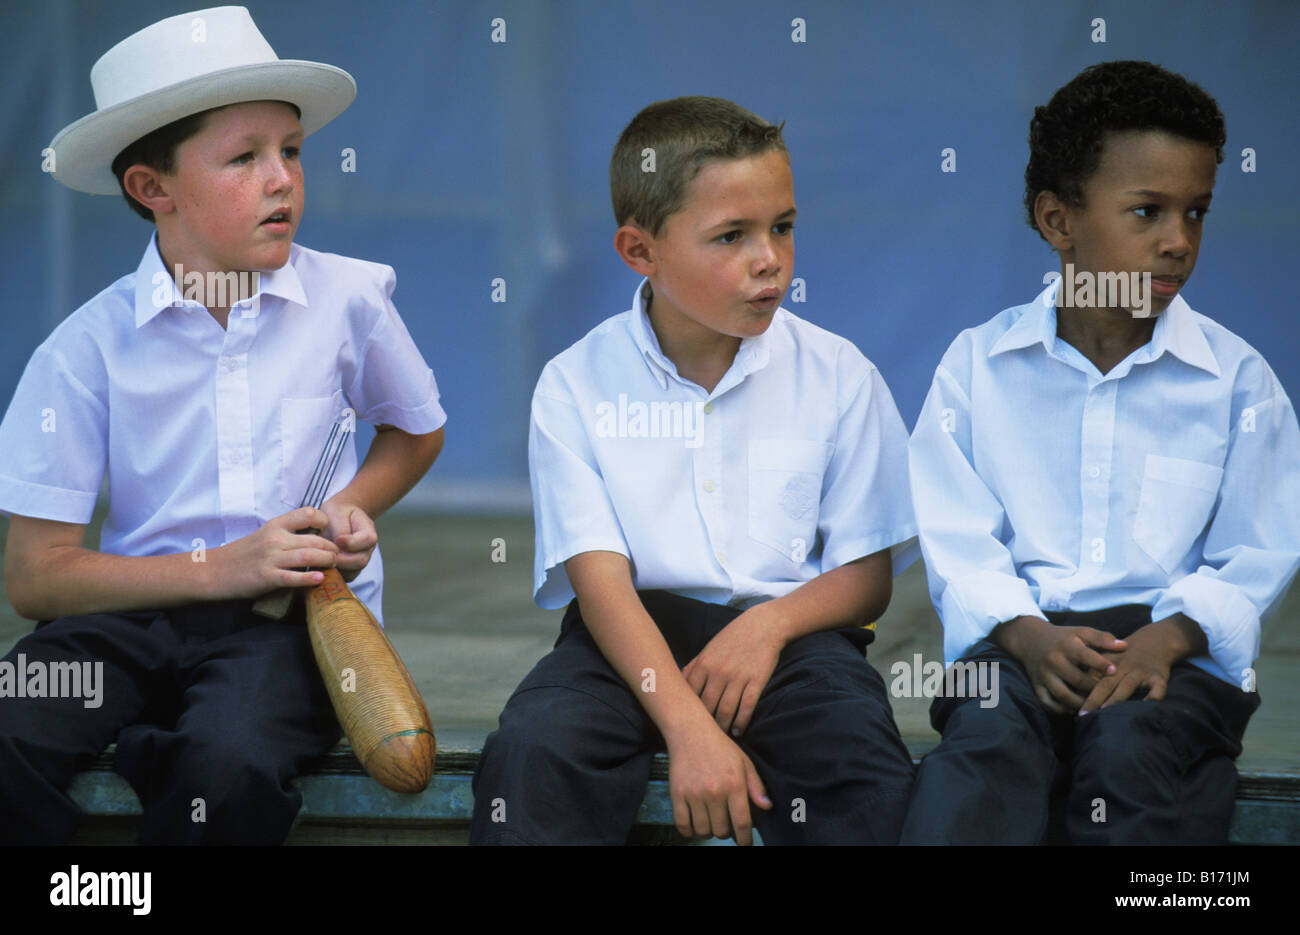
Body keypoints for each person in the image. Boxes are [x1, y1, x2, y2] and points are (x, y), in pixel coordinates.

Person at [0, 7, 446, 844]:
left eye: (292, 150)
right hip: (122, 623)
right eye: (245, 157)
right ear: (152, 188)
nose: (283, 178)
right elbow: (36, 578)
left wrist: (353, 503)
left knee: (227, 761)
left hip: (289, 628)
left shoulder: (349, 301)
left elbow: (414, 431)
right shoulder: (83, 350)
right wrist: (222, 567)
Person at [471, 96, 918, 845]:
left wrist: (767, 626)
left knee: (861, 766)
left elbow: (868, 576)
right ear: (639, 251)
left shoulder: (840, 374)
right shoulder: (576, 383)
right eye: (730, 236)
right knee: (530, 757)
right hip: (625, 643)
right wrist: (689, 729)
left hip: (795, 642)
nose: (769, 258)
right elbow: (603, 584)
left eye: (782, 226)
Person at [902, 60, 1300, 844]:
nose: (1178, 242)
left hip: (1170, 650)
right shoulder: (978, 366)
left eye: (1196, 213)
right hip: (1017, 639)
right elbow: (956, 539)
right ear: (1059, 221)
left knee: (1134, 750)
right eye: (1147, 212)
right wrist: (1025, 633)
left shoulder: (1238, 382)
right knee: (985, 749)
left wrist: (1170, 638)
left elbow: (1259, 550)